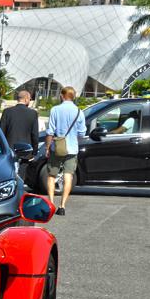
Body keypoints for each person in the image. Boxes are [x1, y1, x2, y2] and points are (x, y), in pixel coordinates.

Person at [44, 86, 87, 215]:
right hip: (72, 149)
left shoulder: (55, 110)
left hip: (57, 147)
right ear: (73, 97)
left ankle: (51, 204)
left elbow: (50, 131)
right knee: (68, 176)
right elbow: (82, 132)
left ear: (62, 96)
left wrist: (47, 147)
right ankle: (62, 206)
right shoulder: (79, 112)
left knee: (51, 175)